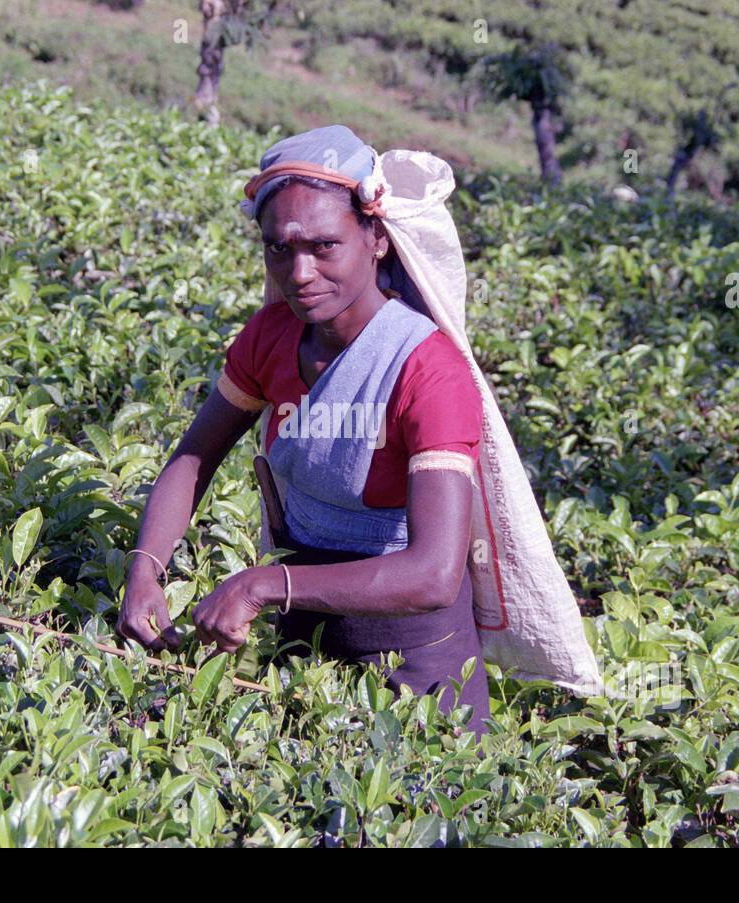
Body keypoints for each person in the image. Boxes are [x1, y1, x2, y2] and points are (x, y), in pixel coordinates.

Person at [116, 125, 491, 738]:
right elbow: (195, 454)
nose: (301, 272)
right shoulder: (270, 336)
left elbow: (432, 573)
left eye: (324, 246)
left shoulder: (428, 369)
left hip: (416, 655)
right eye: (279, 249)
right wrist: (144, 568)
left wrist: (264, 584)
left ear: (375, 237)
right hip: (304, 637)